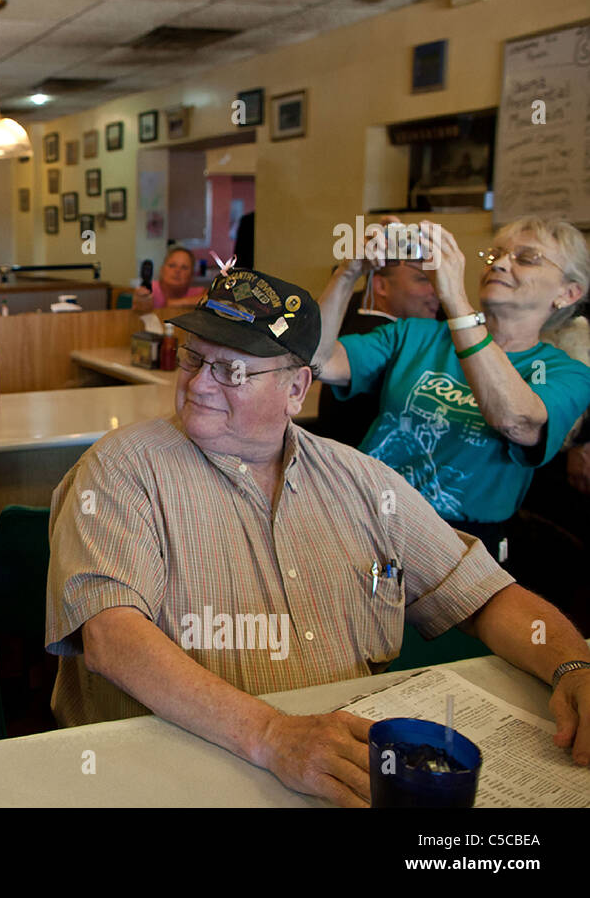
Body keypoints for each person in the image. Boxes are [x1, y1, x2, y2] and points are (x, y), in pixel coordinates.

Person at [46, 268, 590, 807]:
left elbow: (484, 594)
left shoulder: (363, 480)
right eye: (194, 358)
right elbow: (112, 639)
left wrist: (572, 665)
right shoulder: (122, 469)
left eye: (232, 370)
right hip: (166, 772)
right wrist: (273, 736)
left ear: (296, 387)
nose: (200, 383)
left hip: (334, 768)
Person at [316, 216, 590, 559]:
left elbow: (517, 420)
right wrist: (348, 272)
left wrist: (455, 300)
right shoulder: (416, 335)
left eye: (526, 258)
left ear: (568, 293)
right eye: (496, 256)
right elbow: (317, 360)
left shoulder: (566, 372)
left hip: (461, 546)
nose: (501, 264)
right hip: (362, 518)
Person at [315, 238, 440, 445]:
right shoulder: (383, 339)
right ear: (380, 285)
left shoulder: (353, 317)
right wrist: (347, 272)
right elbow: (319, 360)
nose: (435, 291)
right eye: (423, 280)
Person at [132, 247, 205, 311]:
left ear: (192, 275)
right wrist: (140, 303)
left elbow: (213, 301)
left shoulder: (197, 293)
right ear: (162, 270)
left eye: (184, 267)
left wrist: (174, 303)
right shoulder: (149, 288)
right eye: (172, 265)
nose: (177, 271)